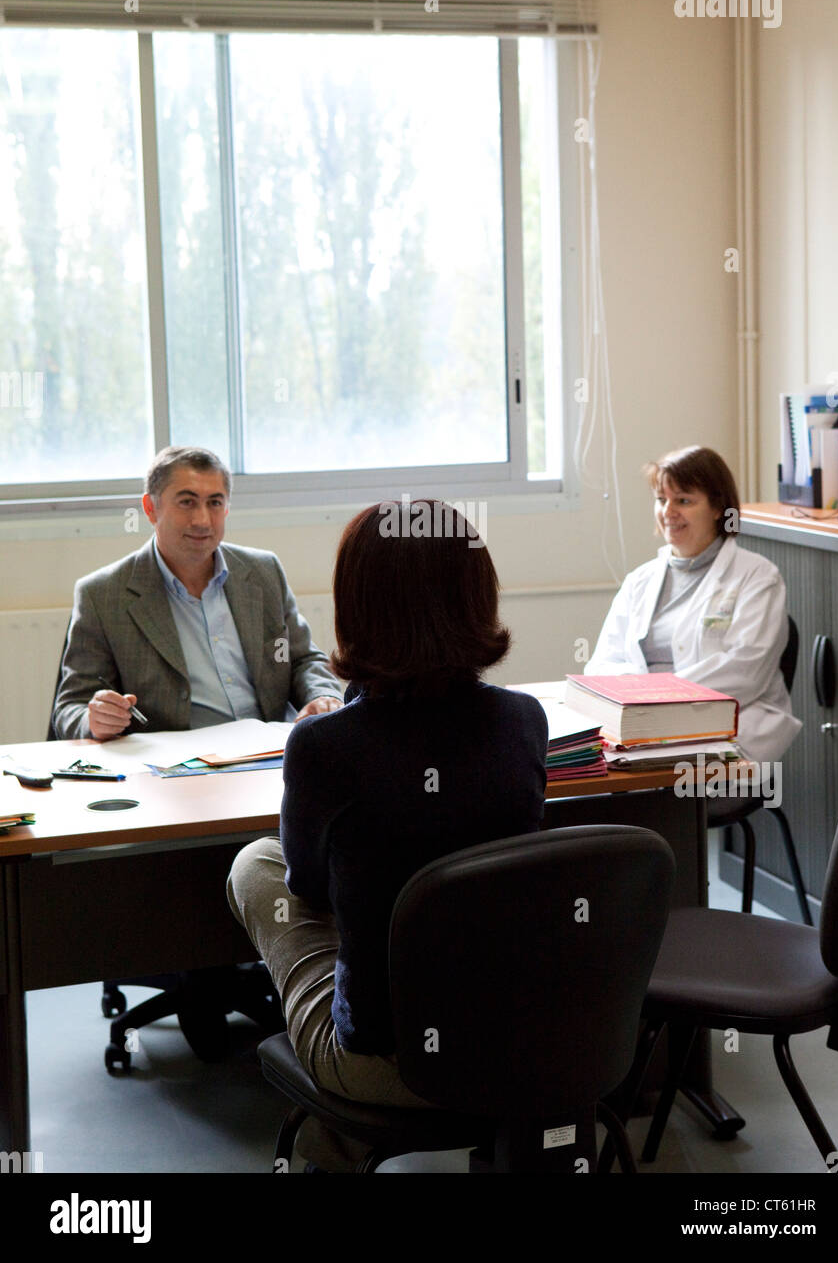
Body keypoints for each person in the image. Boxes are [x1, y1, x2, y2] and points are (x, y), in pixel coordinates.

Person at [227, 500, 548, 1171]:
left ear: (358, 607)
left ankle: (334, 1138)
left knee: (256, 867)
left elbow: (308, 888)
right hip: (517, 1041)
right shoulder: (525, 720)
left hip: (387, 1059)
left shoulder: (324, 746)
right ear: (477, 597)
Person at [52, 446, 342, 740]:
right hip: (173, 769)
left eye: (214, 503)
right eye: (187, 502)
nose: (202, 520)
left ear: (227, 508)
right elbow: (70, 708)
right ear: (151, 508)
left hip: (268, 753)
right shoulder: (102, 595)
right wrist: (95, 720)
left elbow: (303, 660)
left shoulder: (263, 572)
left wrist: (323, 696)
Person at [585, 446, 801, 763]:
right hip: (639, 732)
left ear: (717, 508)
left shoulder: (757, 576)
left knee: (647, 799)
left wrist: (655, 699)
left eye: (684, 500)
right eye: (662, 500)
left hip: (724, 736)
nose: (668, 511)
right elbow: (600, 666)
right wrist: (642, 703)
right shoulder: (639, 581)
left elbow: (746, 671)